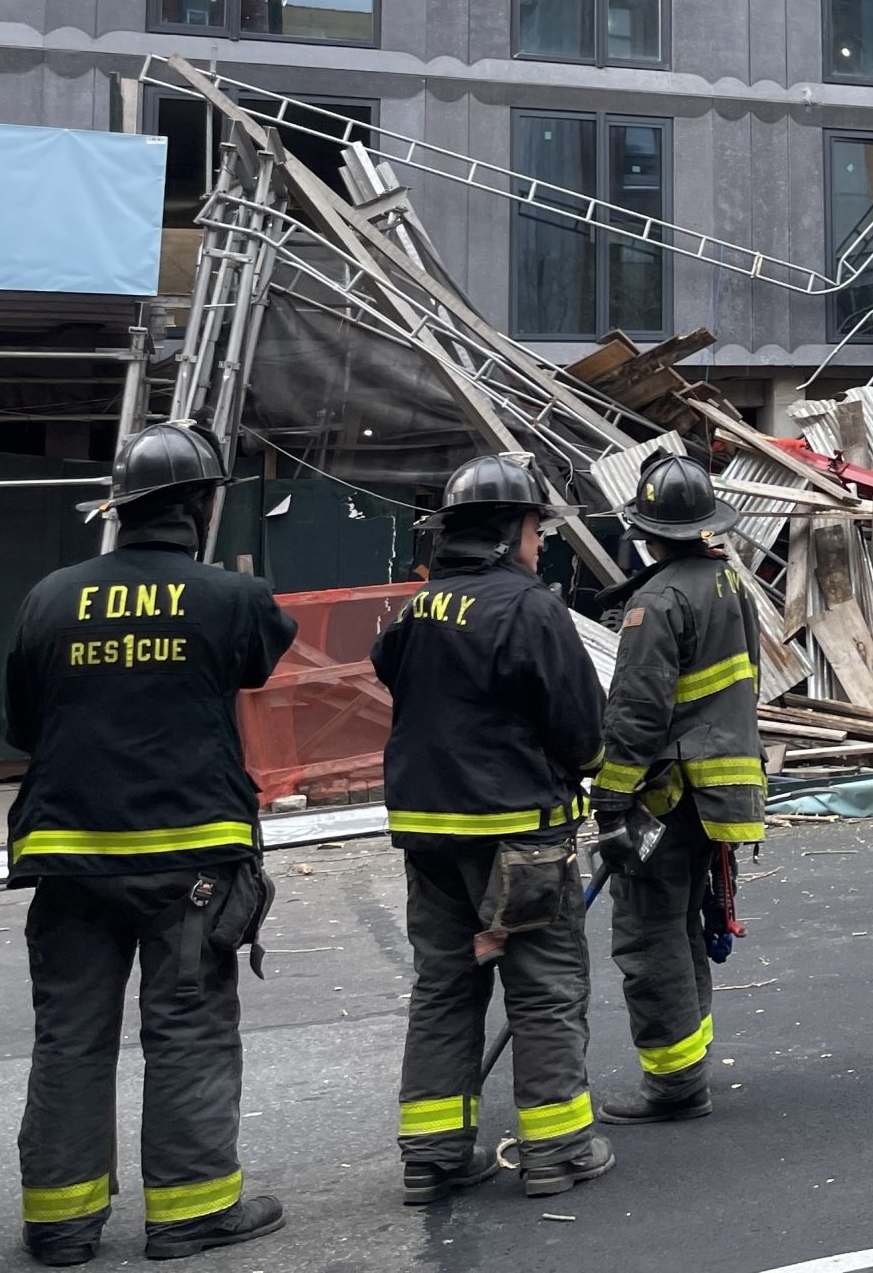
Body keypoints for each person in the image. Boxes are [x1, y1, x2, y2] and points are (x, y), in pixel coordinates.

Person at [3, 424, 296, 1266]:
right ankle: (191, 1211)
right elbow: (255, 662)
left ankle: (60, 1223)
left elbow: (22, 725)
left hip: (68, 855)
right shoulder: (229, 598)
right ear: (203, 507)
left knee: (70, 1036)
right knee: (190, 1029)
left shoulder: (49, 597)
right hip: (189, 857)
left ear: (120, 510)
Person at [373, 454, 612, 1204]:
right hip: (519, 837)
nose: (540, 544)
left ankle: (433, 1157)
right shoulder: (529, 606)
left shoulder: (416, 609)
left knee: (444, 988)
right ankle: (557, 1152)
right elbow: (578, 723)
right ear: (512, 529)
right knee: (544, 990)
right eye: (538, 528)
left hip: (427, 837)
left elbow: (393, 675)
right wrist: (591, 762)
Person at [591, 454, 766, 1124]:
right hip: (718, 796)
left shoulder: (657, 601)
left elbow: (636, 712)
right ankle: (690, 1063)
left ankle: (673, 1085)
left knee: (647, 935)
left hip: (670, 794)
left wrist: (610, 799)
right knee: (685, 928)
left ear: (645, 530)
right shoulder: (729, 584)